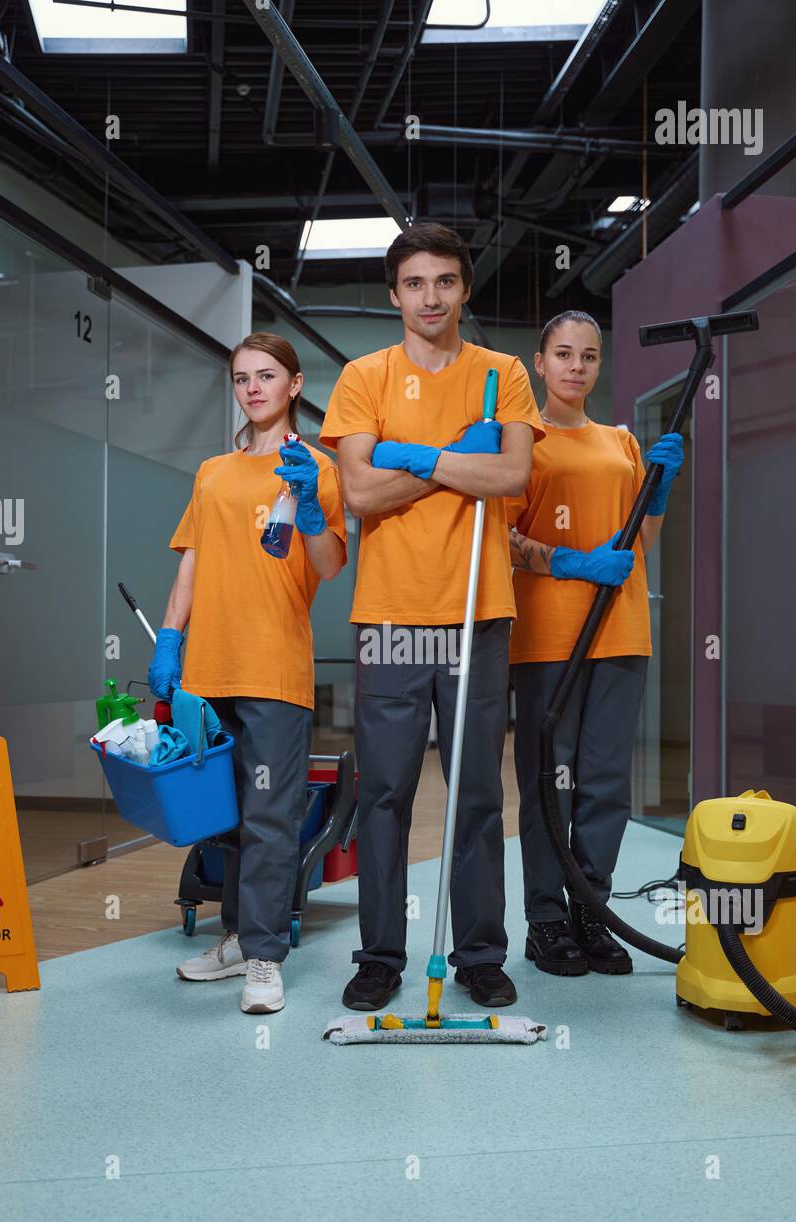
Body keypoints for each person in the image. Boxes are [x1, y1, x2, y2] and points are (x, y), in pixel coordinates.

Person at [319, 221, 544, 1012]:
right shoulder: (364, 377)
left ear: (465, 289)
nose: (430, 297)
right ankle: (380, 953)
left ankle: (480, 953)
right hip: (389, 616)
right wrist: (451, 458)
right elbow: (359, 494)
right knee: (385, 790)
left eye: (444, 281)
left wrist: (410, 458)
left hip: (479, 612)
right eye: (414, 283)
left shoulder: (504, 373)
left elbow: (513, 471)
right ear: (393, 294)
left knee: (478, 788)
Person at [149, 333, 347, 1013]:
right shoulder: (212, 472)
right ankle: (234, 939)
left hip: (273, 668)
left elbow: (326, 566)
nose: (253, 388)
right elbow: (193, 561)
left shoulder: (316, 466)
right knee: (223, 819)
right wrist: (170, 638)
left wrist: (313, 507)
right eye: (241, 378)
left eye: (267, 376)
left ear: (294, 385)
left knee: (269, 817)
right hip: (208, 669)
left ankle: (265, 957)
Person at [507, 310, 683, 977]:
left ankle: (592, 911)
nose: (577, 366)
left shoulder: (620, 442)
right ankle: (545, 920)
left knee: (605, 784)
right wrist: (570, 562)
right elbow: (503, 541)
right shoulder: (524, 442)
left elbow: (644, 541)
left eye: (588, 355)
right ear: (540, 362)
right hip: (550, 637)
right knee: (550, 782)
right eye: (563, 354)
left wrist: (659, 491)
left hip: (621, 629)